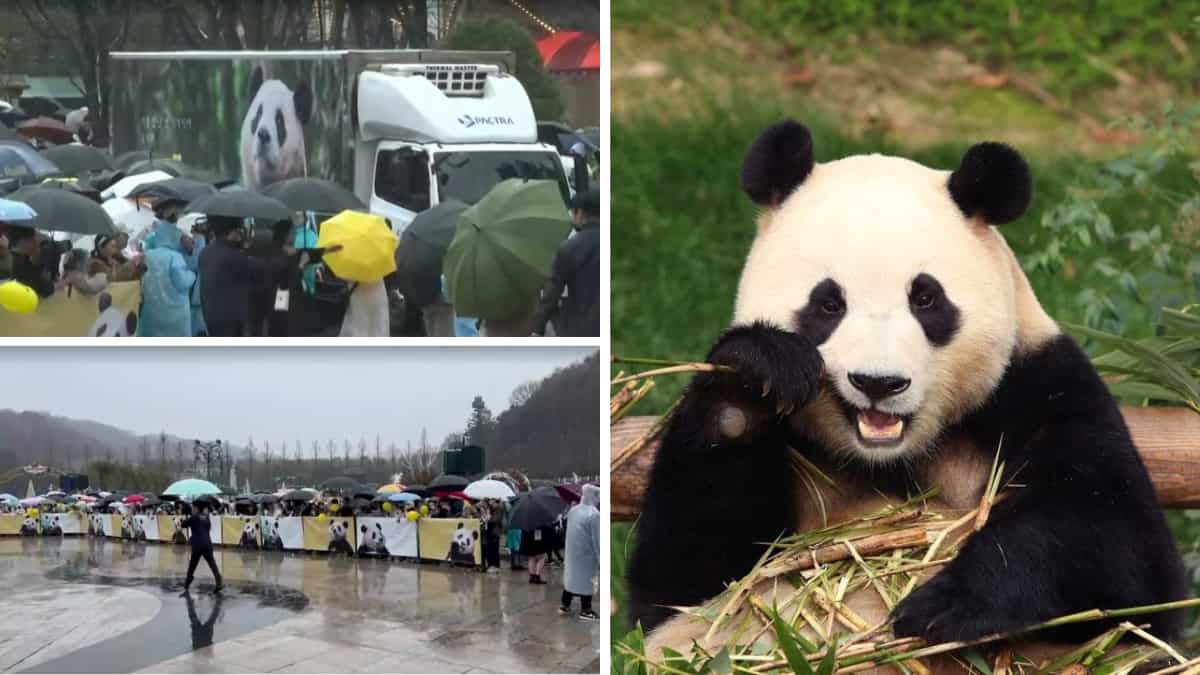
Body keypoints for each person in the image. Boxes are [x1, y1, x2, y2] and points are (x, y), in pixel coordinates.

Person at [532, 187, 600, 337]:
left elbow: (551, 294)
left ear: (580, 213)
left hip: (578, 328)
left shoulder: (569, 248)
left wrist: (537, 328)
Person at [140, 209, 197, 337]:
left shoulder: (147, 255)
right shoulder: (175, 256)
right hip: (175, 315)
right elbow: (182, 282)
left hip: (153, 312)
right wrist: (192, 274)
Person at [199, 216, 257, 337]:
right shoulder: (234, 256)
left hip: (209, 313)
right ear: (232, 233)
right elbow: (254, 271)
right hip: (231, 317)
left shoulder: (205, 252)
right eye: (238, 231)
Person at [559, 485, 600, 620]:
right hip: (587, 555)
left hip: (572, 554)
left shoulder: (573, 510)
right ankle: (586, 609)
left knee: (571, 580)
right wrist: (600, 557)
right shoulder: (594, 514)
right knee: (586, 582)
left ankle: (564, 605)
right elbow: (597, 538)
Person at [180, 501, 223, 592]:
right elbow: (207, 528)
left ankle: (187, 582)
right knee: (212, 563)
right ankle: (218, 580)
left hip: (197, 545)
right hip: (207, 543)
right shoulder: (207, 517)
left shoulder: (194, 517)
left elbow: (183, 525)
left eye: (193, 507)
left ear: (196, 508)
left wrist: (186, 518)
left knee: (192, 565)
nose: (192, 509)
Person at [482, 499, 504, 573]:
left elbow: (496, 520)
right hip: (488, 531)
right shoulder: (489, 509)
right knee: (489, 549)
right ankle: (490, 565)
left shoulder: (499, 509)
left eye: (492, 501)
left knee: (494, 549)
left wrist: (487, 519)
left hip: (494, 532)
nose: (490, 502)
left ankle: (495, 566)